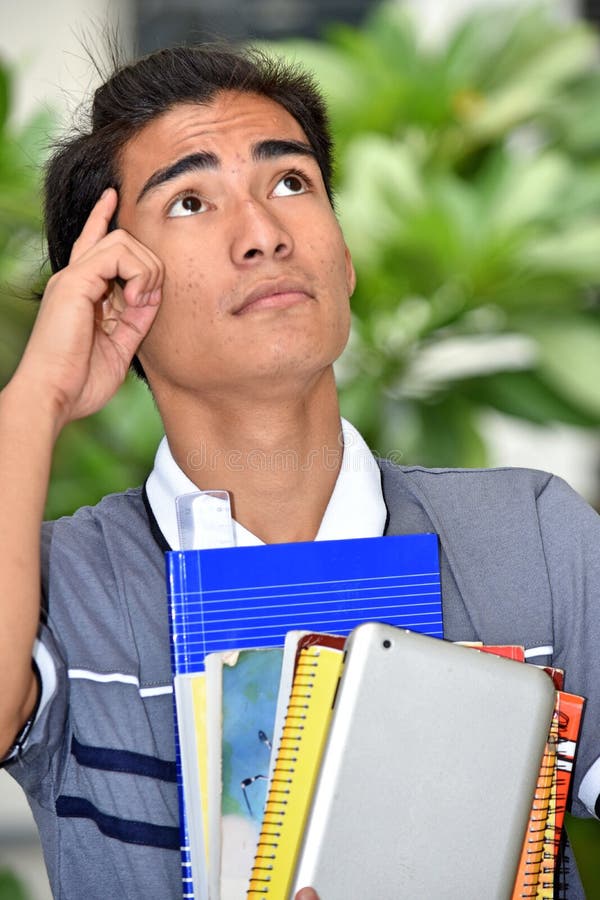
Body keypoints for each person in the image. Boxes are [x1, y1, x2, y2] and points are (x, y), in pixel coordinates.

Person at [0, 42, 598, 900]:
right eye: (191, 200)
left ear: (344, 258)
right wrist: (34, 399)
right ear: (109, 292)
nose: (264, 235)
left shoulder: (534, 539)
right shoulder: (66, 587)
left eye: (291, 184)